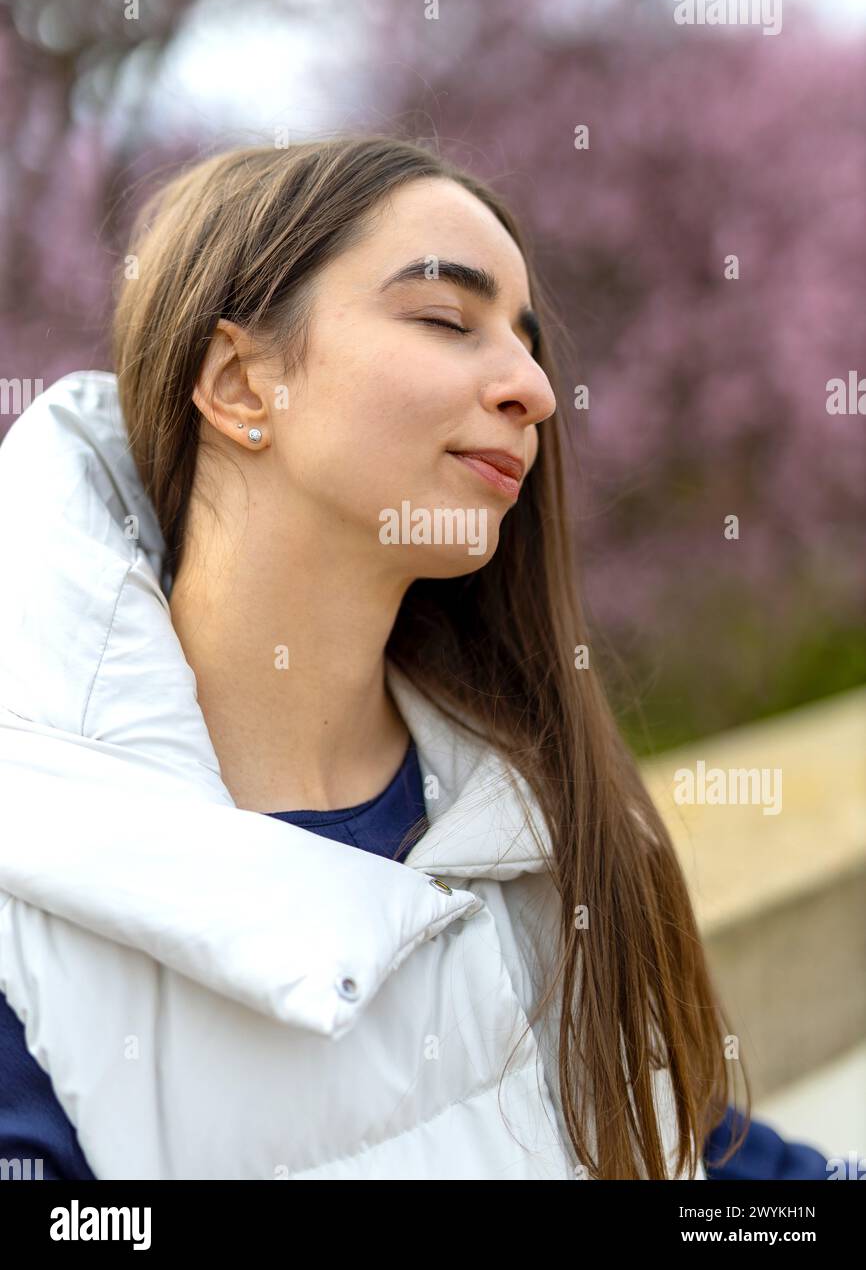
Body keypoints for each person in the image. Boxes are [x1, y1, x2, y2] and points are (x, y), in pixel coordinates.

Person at [0, 135, 745, 1180]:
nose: (532, 387)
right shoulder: (28, 905)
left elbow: (700, 1159)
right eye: (447, 319)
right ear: (239, 385)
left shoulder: (546, 811)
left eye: (526, 343)